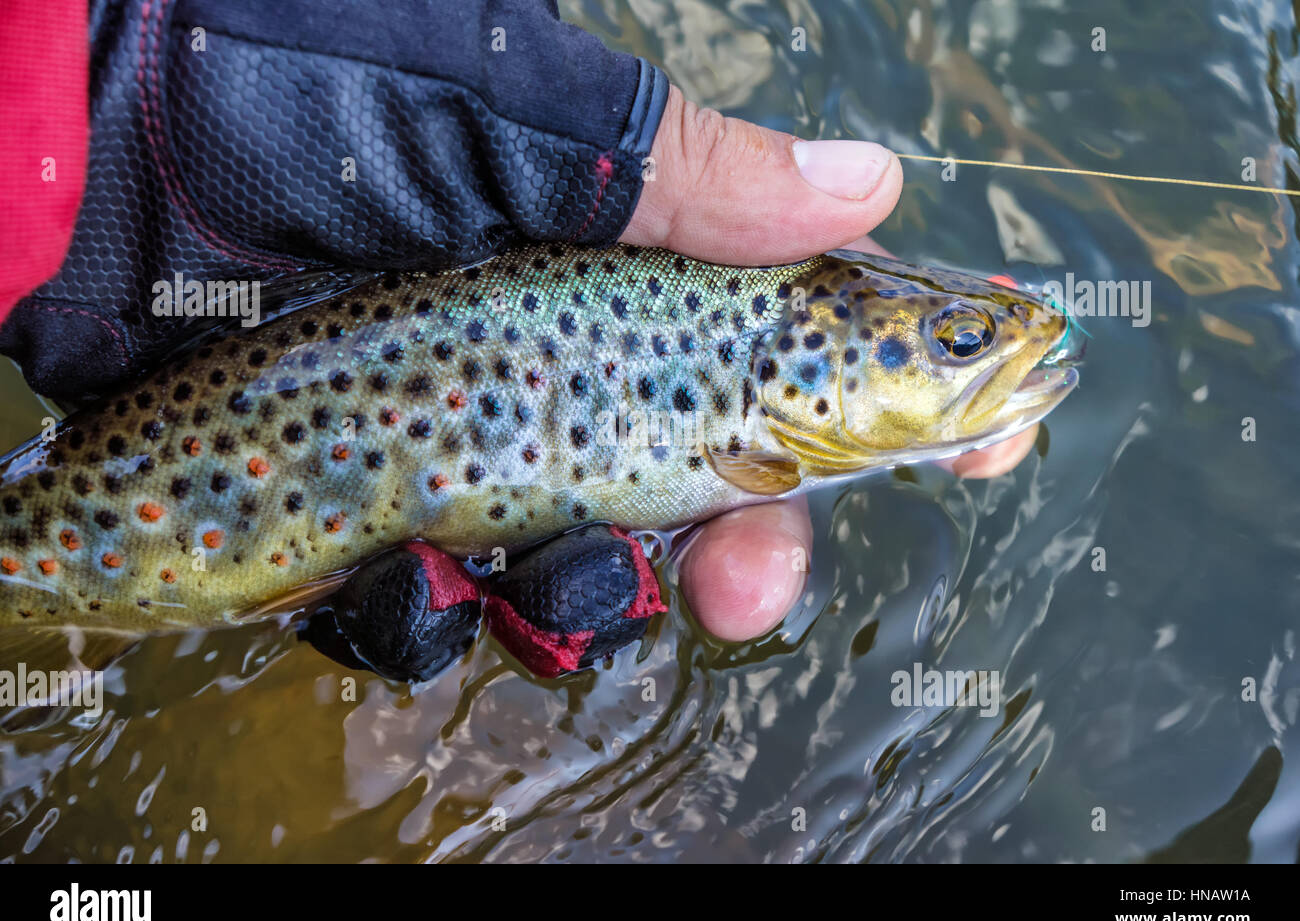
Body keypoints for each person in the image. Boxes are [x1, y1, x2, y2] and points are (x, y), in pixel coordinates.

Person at [0, 0, 1036, 646]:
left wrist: (117, 55)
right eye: (957, 341)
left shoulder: (769, 417)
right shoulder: (752, 429)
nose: (984, 352)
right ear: (797, 359)